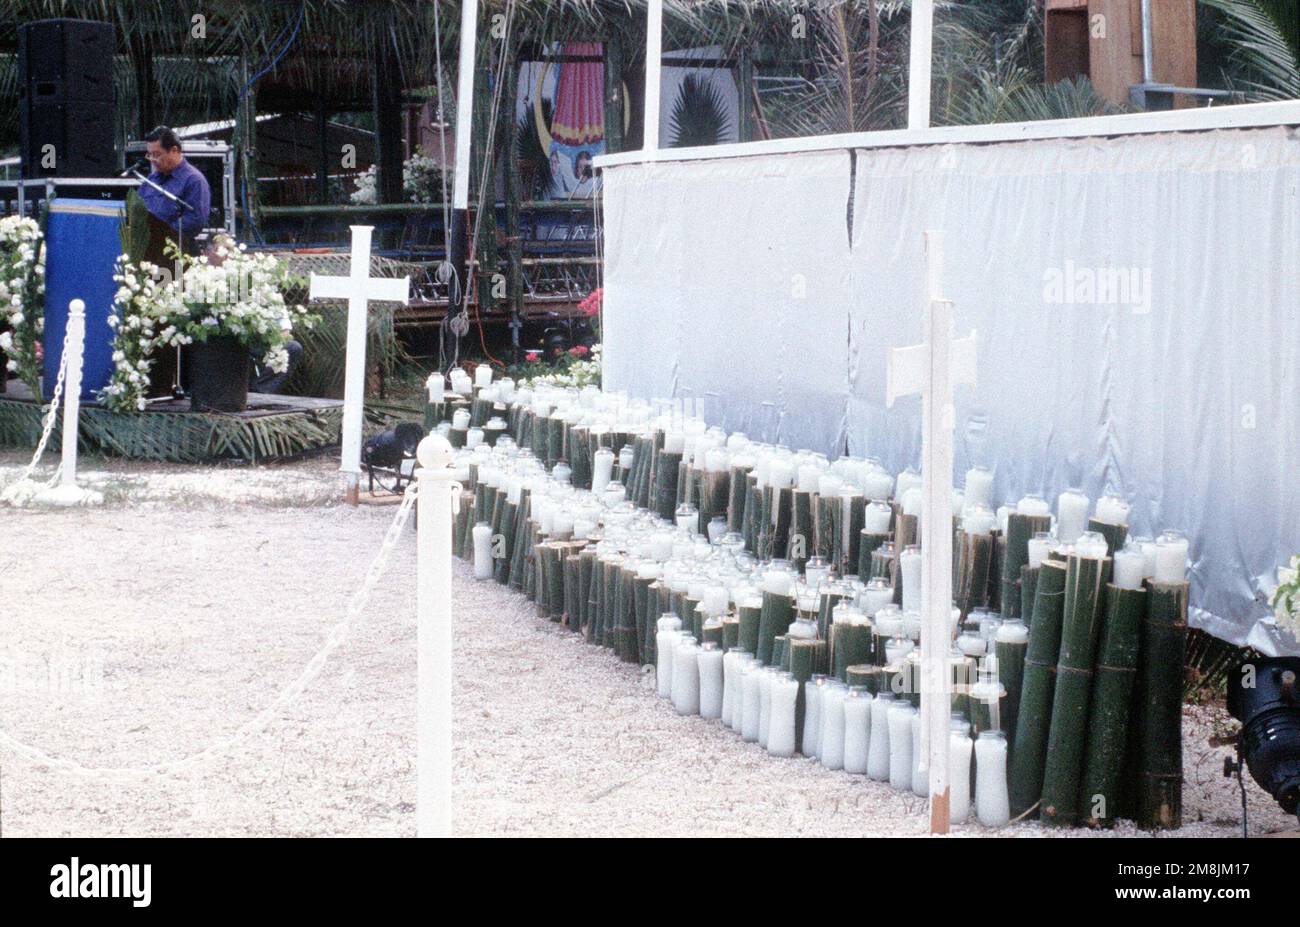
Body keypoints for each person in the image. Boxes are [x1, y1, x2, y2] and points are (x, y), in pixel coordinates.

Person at [138, 126, 211, 254]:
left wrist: (160, 235)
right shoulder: (151, 179)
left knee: (174, 275)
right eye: (149, 155)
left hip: (177, 253)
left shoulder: (194, 180)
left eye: (157, 154)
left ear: (174, 150)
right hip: (149, 250)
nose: (152, 160)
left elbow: (195, 221)